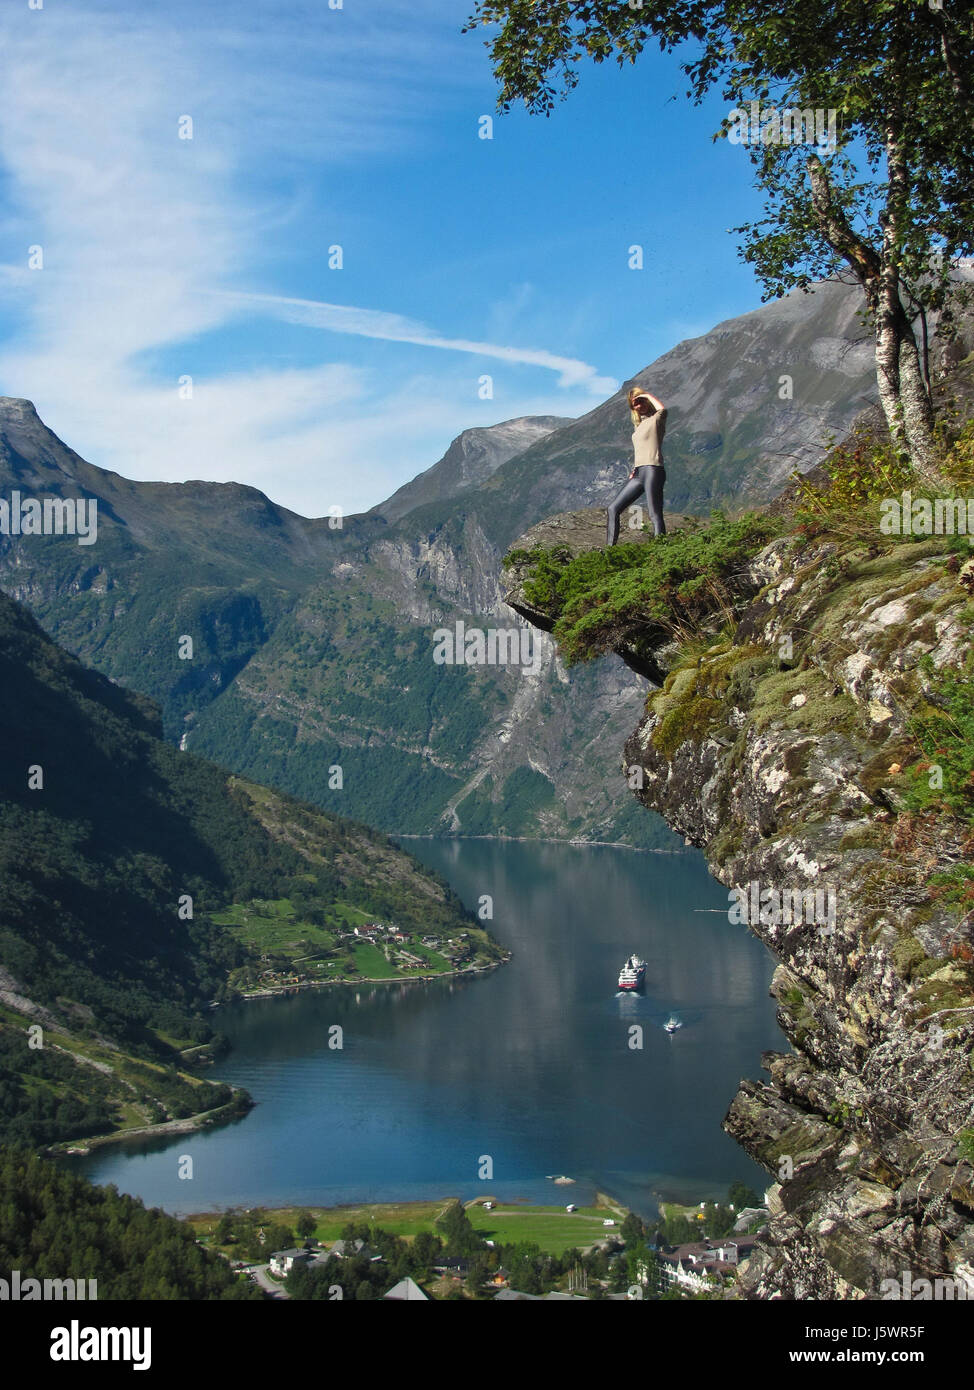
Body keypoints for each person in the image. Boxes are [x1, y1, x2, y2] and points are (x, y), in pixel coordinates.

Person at [605, 386, 667, 546]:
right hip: (639, 472)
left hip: (653, 469)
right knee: (613, 509)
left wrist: (646, 394)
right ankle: (609, 552)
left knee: (654, 514)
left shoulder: (656, 420)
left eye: (641, 401)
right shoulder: (638, 426)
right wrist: (634, 468)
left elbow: (663, 409)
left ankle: (661, 551)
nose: (639, 406)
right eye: (635, 404)